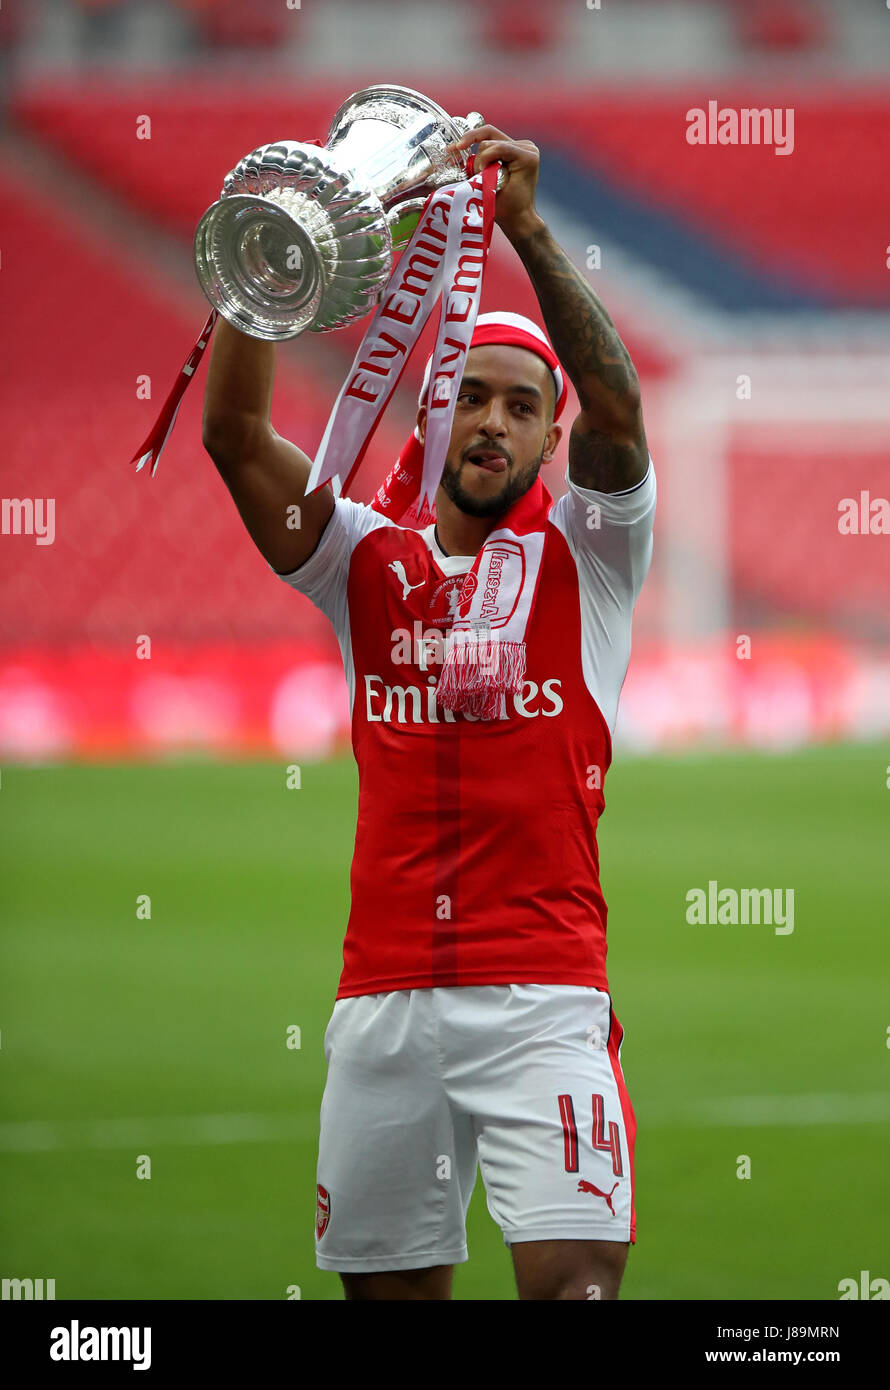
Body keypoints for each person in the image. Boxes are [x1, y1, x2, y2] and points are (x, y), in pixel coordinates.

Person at [202, 124, 655, 1301]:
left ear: (547, 434)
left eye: (520, 406)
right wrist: (264, 270)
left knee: (576, 1289)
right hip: (382, 998)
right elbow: (234, 437)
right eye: (469, 397)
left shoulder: (591, 556)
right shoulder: (361, 558)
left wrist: (526, 231)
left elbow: (617, 405)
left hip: (544, 995)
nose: (493, 421)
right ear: (433, 416)